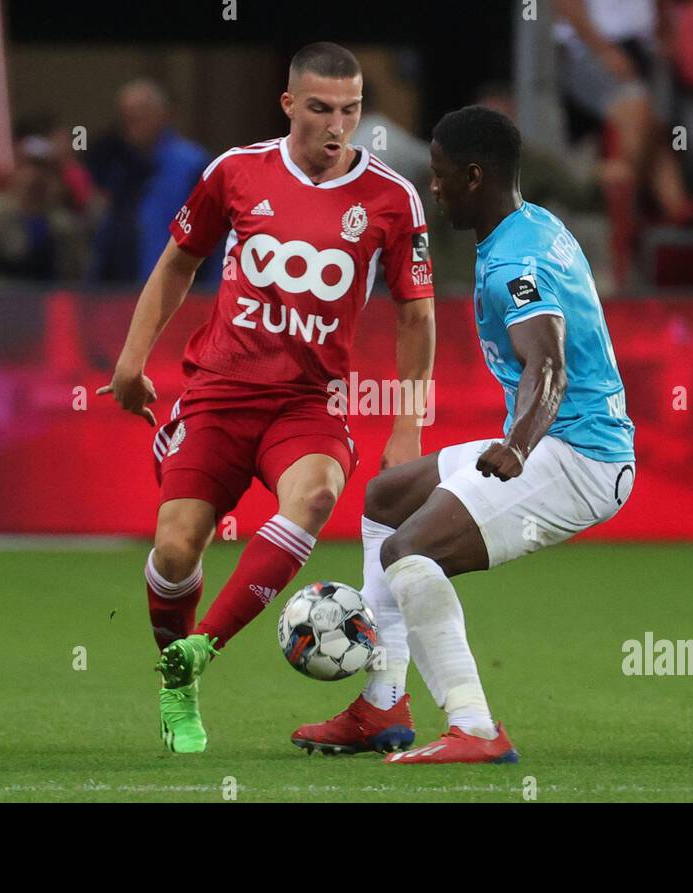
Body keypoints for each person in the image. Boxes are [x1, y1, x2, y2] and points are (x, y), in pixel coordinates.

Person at [96, 42, 436, 754]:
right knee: (175, 548)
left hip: (308, 404)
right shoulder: (235, 172)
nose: (336, 124)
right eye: (319, 108)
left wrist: (409, 424)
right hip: (218, 395)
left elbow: (417, 314)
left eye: (349, 110)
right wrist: (132, 360)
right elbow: (176, 266)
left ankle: (202, 650)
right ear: (289, 105)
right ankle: (176, 682)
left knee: (313, 496)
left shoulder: (390, 199)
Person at [291, 106, 636, 764]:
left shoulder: (517, 260)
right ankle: (384, 701)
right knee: (387, 499)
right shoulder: (532, 225)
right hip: (559, 440)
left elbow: (549, 361)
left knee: (408, 550)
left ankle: (474, 725)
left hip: (577, 455)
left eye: (443, 176)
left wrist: (518, 443)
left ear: (475, 177)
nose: (434, 188)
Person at [85, 80, 219, 288]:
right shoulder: (118, 165)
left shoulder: (192, 165)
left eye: (140, 114)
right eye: (126, 116)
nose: (131, 123)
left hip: (175, 290)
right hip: (119, 292)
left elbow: (213, 236)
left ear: (163, 115)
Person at [0, 135, 89, 283]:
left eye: (44, 168)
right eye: (29, 166)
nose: (36, 175)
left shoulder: (65, 225)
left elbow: (75, 276)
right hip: (0, 300)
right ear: (16, 170)